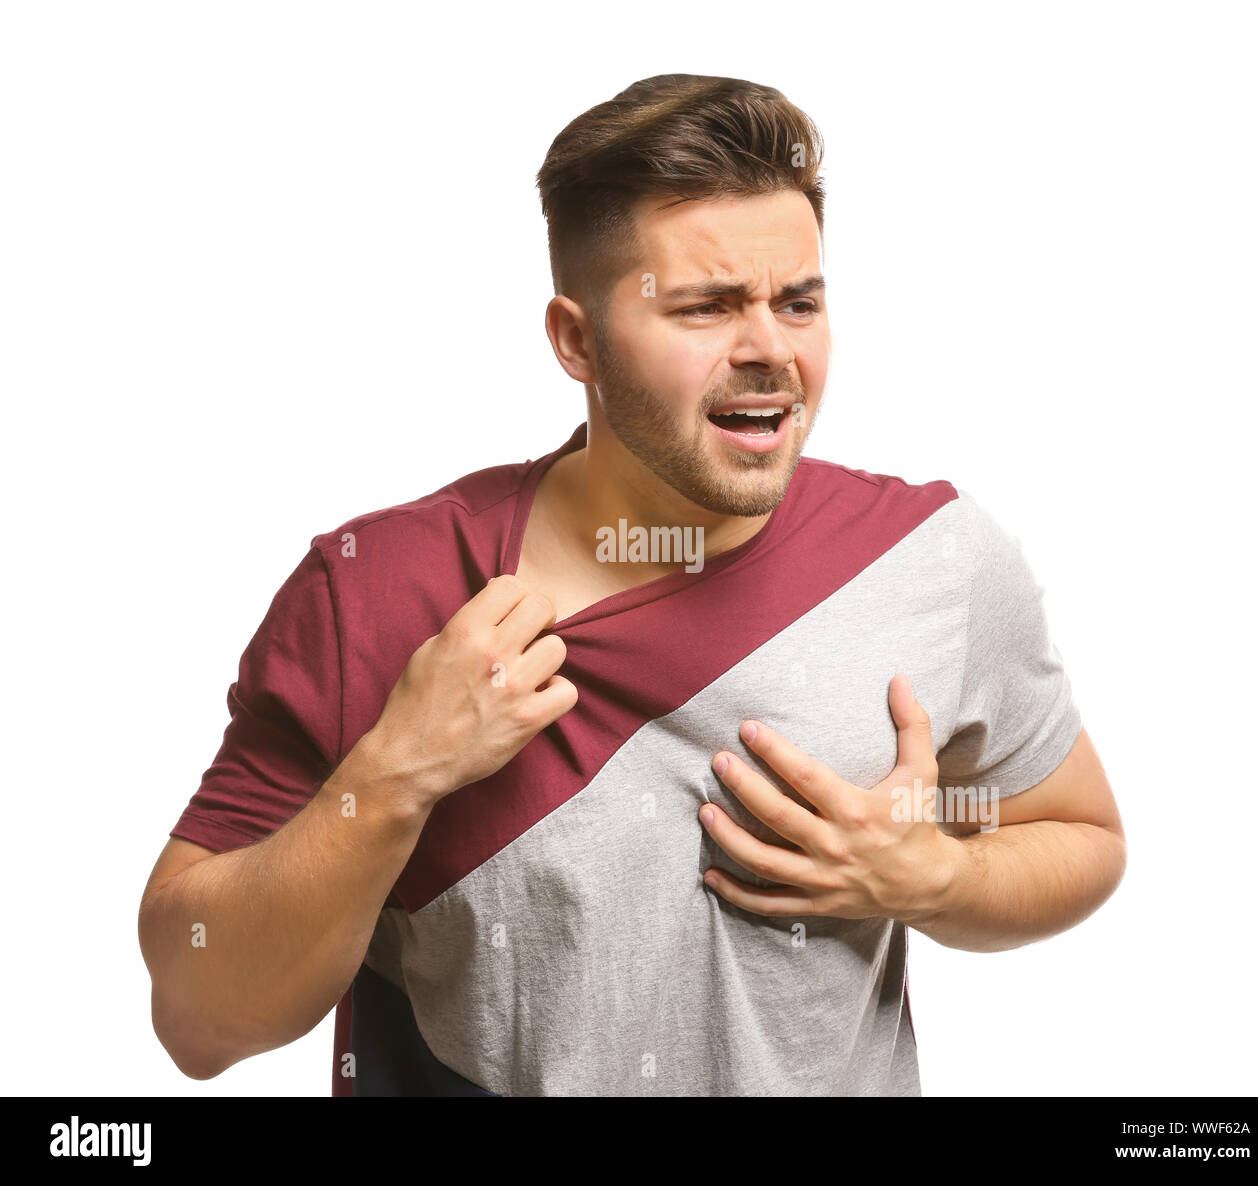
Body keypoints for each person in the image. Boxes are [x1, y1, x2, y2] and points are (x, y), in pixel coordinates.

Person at [138, 74, 1126, 1096]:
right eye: (704, 308)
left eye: (799, 303)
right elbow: (201, 1016)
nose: (769, 352)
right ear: (577, 341)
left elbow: (1077, 833)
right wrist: (393, 775)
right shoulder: (378, 591)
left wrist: (934, 875)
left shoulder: (934, 559)